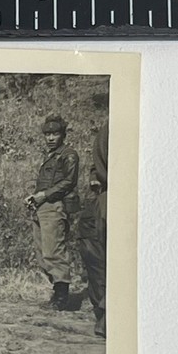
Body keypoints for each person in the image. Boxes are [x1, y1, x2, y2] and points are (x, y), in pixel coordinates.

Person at [24, 114, 80, 311]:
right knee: (42, 254)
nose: (50, 138)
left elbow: (69, 182)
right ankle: (57, 293)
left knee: (53, 252)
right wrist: (35, 197)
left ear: (62, 135)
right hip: (42, 206)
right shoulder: (51, 155)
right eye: (47, 134)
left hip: (55, 206)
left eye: (55, 134)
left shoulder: (69, 154)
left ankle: (62, 299)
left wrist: (44, 195)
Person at [79, 121, 109, 337]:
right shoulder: (120, 127)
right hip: (113, 199)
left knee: (99, 261)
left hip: (102, 200)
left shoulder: (106, 129)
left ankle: (103, 317)